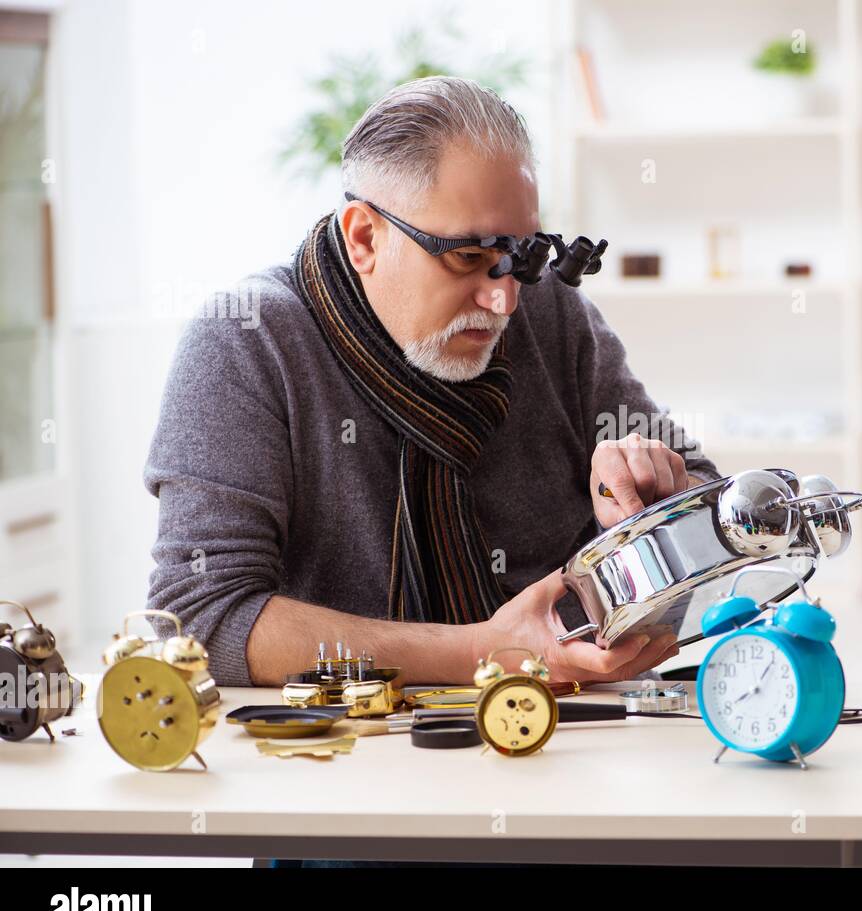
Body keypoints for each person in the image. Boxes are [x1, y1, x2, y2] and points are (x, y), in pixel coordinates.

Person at [144, 76, 717, 688]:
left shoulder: (551, 314)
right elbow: (198, 620)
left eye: (523, 257)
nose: (502, 300)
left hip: (566, 733)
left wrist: (636, 513)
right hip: (345, 753)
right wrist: (484, 652)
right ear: (365, 236)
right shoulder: (248, 339)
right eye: (467, 257)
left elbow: (708, 507)